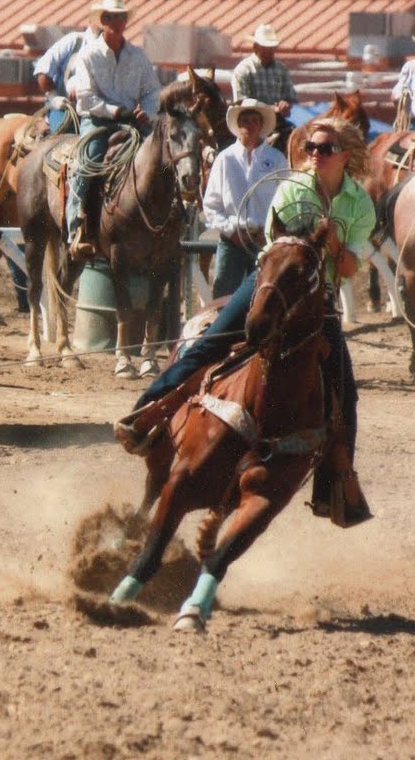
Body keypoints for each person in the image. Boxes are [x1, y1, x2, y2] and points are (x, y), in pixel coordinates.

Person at [116, 118, 376, 527]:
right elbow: (276, 247)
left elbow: (346, 268)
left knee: (344, 393)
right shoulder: (294, 188)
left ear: (345, 155)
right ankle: (146, 411)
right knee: (212, 342)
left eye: (325, 149)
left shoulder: (360, 203)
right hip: (273, 283)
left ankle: (335, 486)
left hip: (317, 300)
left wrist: (333, 243)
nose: (315, 155)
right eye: (311, 147)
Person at [62, 0, 160, 260]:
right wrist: (114, 110)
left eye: (121, 18)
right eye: (111, 18)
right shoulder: (88, 55)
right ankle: (76, 228)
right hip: (97, 121)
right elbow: (85, 97)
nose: (116, 22)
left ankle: (166, 219)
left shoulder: (138, 56)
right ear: (102, 21)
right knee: (88, 162)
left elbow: (152, 91)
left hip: (132, 122)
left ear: (126, 22)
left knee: (159, 158)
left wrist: (147, 111)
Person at [202, 99, 288, 296]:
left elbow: (285, 200)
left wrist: (272, 232)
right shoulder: (224, 159)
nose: (250, 125)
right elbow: (211, 205)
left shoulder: (276, 159)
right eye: (245, 121)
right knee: (224, 297)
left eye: (254, 121)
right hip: (232, 239)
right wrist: (231, 232)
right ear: (238, 125)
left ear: (261, 125)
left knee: (265, 297)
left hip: (265, 240)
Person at [230, 23, 295, 143]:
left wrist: (285, 104)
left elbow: (289, 96)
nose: (269, 52)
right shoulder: (243, 70)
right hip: (252, 124)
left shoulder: (281, 69)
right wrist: (269, 109)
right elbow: (241, 102)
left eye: (271, 48)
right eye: (265, 48)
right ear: (255, 47)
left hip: (278, 123)